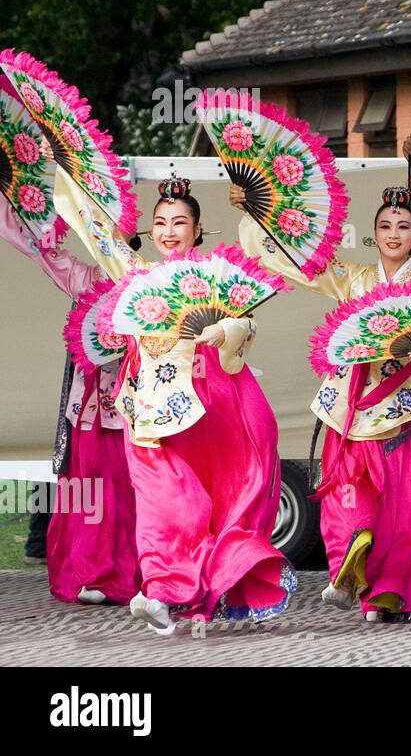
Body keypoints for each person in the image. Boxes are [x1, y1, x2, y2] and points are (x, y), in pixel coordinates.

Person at [52, 165, 294, 634]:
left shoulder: (216, 276)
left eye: (179, 222)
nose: (168, 231)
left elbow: (248, 324)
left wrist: (224, 328)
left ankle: (189, 589)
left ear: (198, 229)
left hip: (210, 404)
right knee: (163, 500)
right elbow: (91, 225)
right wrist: (66, 168)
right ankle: (162, 589)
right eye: (160, 222)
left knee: (211, 504)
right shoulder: (134, 271)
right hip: (147, 405)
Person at [234, 183, 411, 623]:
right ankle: (348, 566)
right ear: (373, 235)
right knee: (346, 497)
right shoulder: (352, 278)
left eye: (403, 226)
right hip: (351, 407)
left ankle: (388, 594)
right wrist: (255, 213)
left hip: (401, 411)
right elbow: (298, 260)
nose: (394, 233)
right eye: (385, 226)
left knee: (404, 507)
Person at [0, 204, 139, 606]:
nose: (112, 245)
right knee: (90, 493)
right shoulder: (86, 278)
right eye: (104, 238)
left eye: (120, 238)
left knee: (130, 495)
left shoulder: (148, 282)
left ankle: (137, 573)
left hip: (134, 409)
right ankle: (93, 573)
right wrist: (16, 205)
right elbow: (40, 251)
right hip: (89, 410)